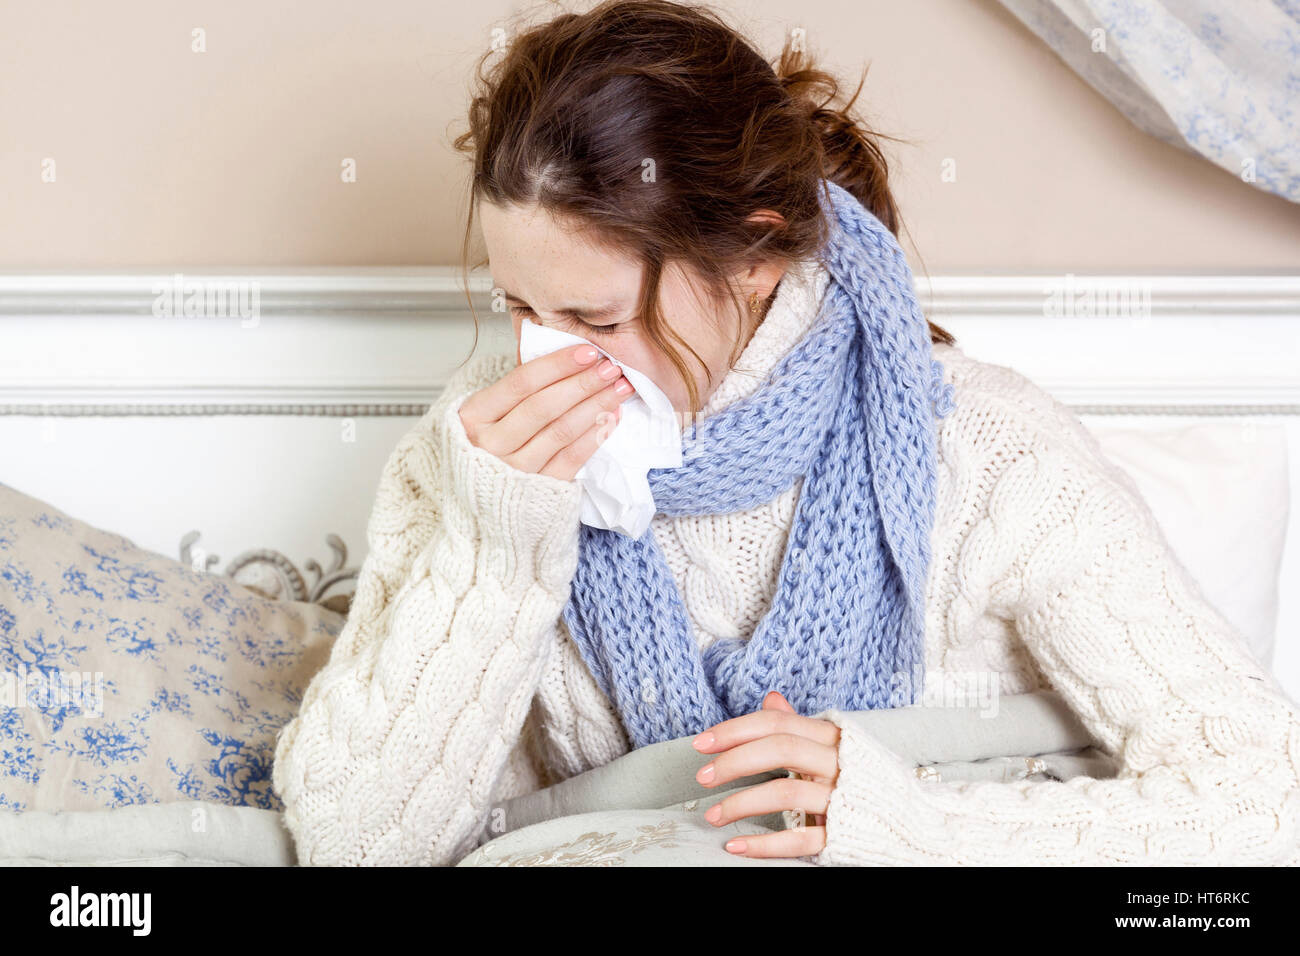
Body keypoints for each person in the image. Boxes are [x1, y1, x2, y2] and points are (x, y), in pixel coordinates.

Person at [271, 0, 1300, 867]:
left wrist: (914, 827)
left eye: (594, 319)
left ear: (753, 258)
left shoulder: (989, 452)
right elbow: (352, 846)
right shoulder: (480, 458)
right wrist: (495, 550)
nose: (543, 358)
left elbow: (1262, 801)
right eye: (514, 306)